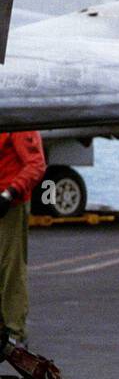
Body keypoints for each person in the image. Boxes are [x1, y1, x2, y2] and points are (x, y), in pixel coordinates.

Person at [0, 131, 47, 343]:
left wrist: (10, 193)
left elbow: (36, 164)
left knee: (10, 266)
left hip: (9, 205)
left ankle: (13, 330)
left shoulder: (18, 122)